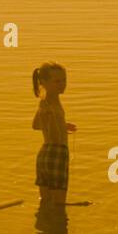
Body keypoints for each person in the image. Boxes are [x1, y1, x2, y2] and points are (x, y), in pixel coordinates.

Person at [32, 62, 77, 205]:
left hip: (44, 154)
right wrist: (58, 126)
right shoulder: (50, 102)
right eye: (57, 81)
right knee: (58, 203)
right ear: (43, 83)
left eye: (64, 80)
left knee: (45, 201)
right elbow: (47, 124)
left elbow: (36, 125)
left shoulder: (44, 101)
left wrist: (62, 125)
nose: (62, 84)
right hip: (58, 153)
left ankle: (46, 218)